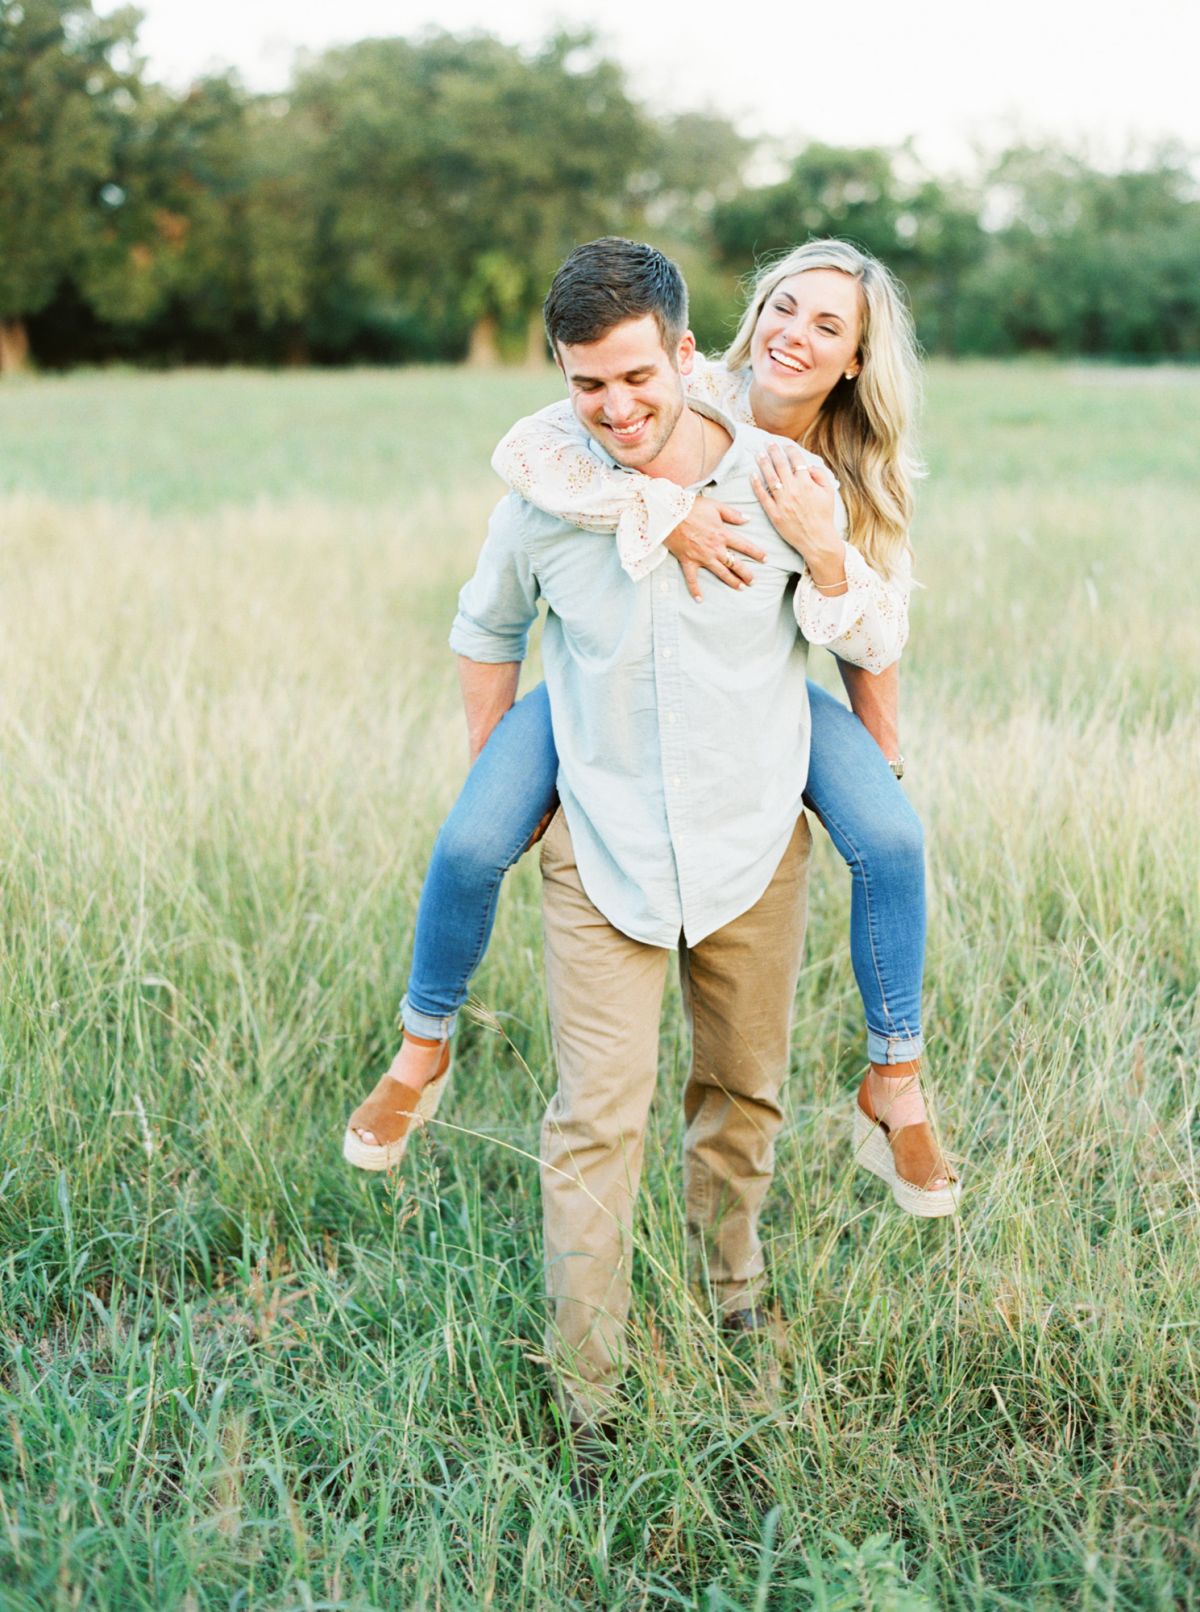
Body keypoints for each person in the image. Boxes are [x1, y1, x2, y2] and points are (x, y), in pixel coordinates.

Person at [343, 237, 958, 1214]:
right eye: (785, 306)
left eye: (828, 325)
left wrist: (879, 750)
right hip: (609, 684)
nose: (795, 333)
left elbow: (872, 638)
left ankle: (896, 1083)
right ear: (746, 320)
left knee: (890, 835)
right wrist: (654, 505)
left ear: (856, 360)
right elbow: (538, 451)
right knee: (471, 837)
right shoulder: (681, 380)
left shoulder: (850, 475)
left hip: (756, 684)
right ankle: (423, 1048)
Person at [448, 237, 890, 1424]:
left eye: (639, 377)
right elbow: (483, 631)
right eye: (587, 384)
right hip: (600, 851)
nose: (616, 407)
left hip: (753, 845)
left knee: (743, 1091)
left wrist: (830, 548)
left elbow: (866, 635)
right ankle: (590, 1394)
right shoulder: (544, 500)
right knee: (596, 1116)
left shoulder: (781, 482)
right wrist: (509, 774)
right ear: (560, 377)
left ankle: (731, 1298)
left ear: (688, 358)